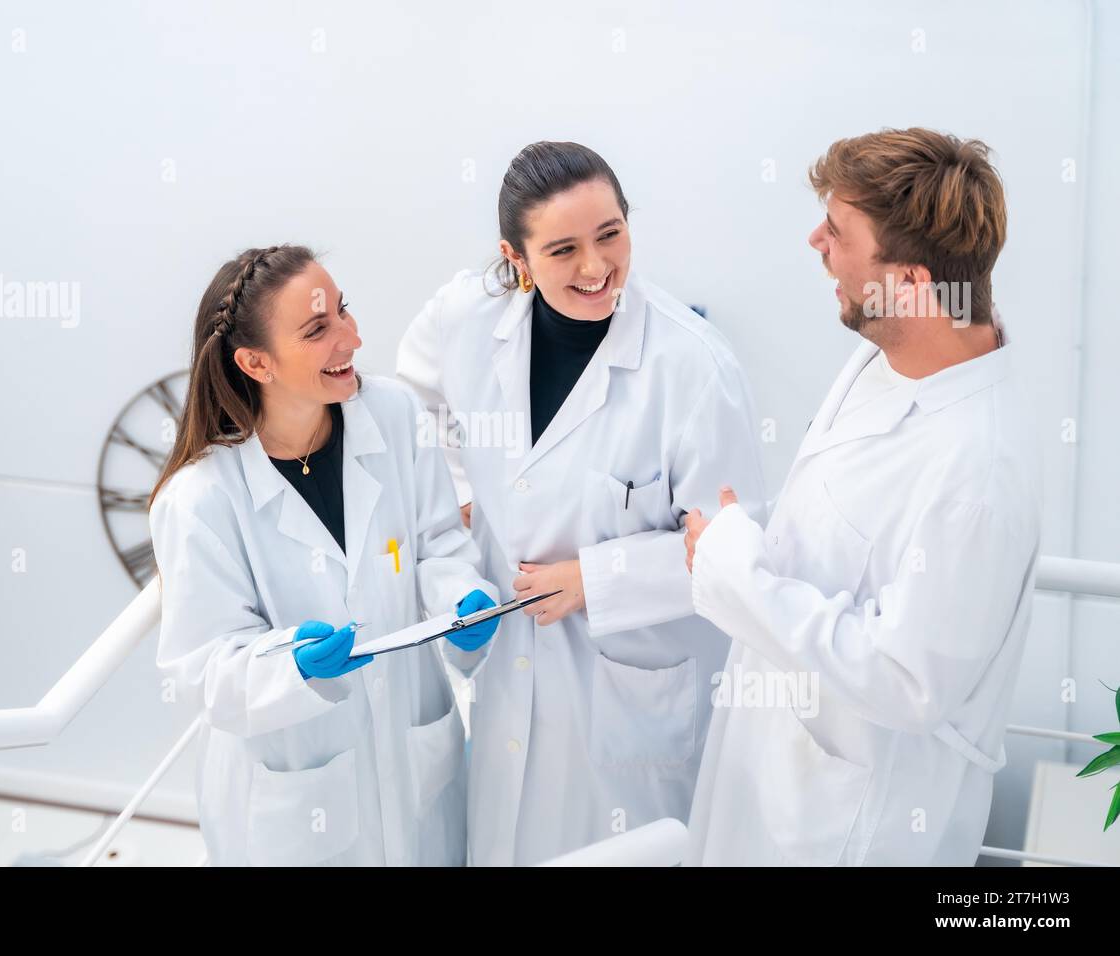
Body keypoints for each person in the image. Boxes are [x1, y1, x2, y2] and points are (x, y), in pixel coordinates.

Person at [397, 142, 766, 865]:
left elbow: (735, 548)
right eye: (563, 249)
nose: (596, 269)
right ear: (516, 258)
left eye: (611, 235)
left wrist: (595, 580)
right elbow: (411, 401)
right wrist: (465, 499)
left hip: (634, 689)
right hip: (516, 662)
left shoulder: (693, 367)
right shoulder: (469, 318)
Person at [683, 129, 1041, 866]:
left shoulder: (977, 471)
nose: (815, 240)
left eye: (838, 232)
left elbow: (908, 681)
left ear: (909, 281)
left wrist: (732, 568)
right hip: (777, 773)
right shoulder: (893, 352)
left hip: (852, 828)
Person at [148, 245, 500, 866]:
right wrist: (291, 667)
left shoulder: (393, 415)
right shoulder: (200, 500)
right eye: (318, 330)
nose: (353, 338)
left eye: (343, 311)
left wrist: (460, 601)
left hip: (414, 757)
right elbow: (203, 673)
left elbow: (437, 544)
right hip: (293, 799)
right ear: (256, 362)